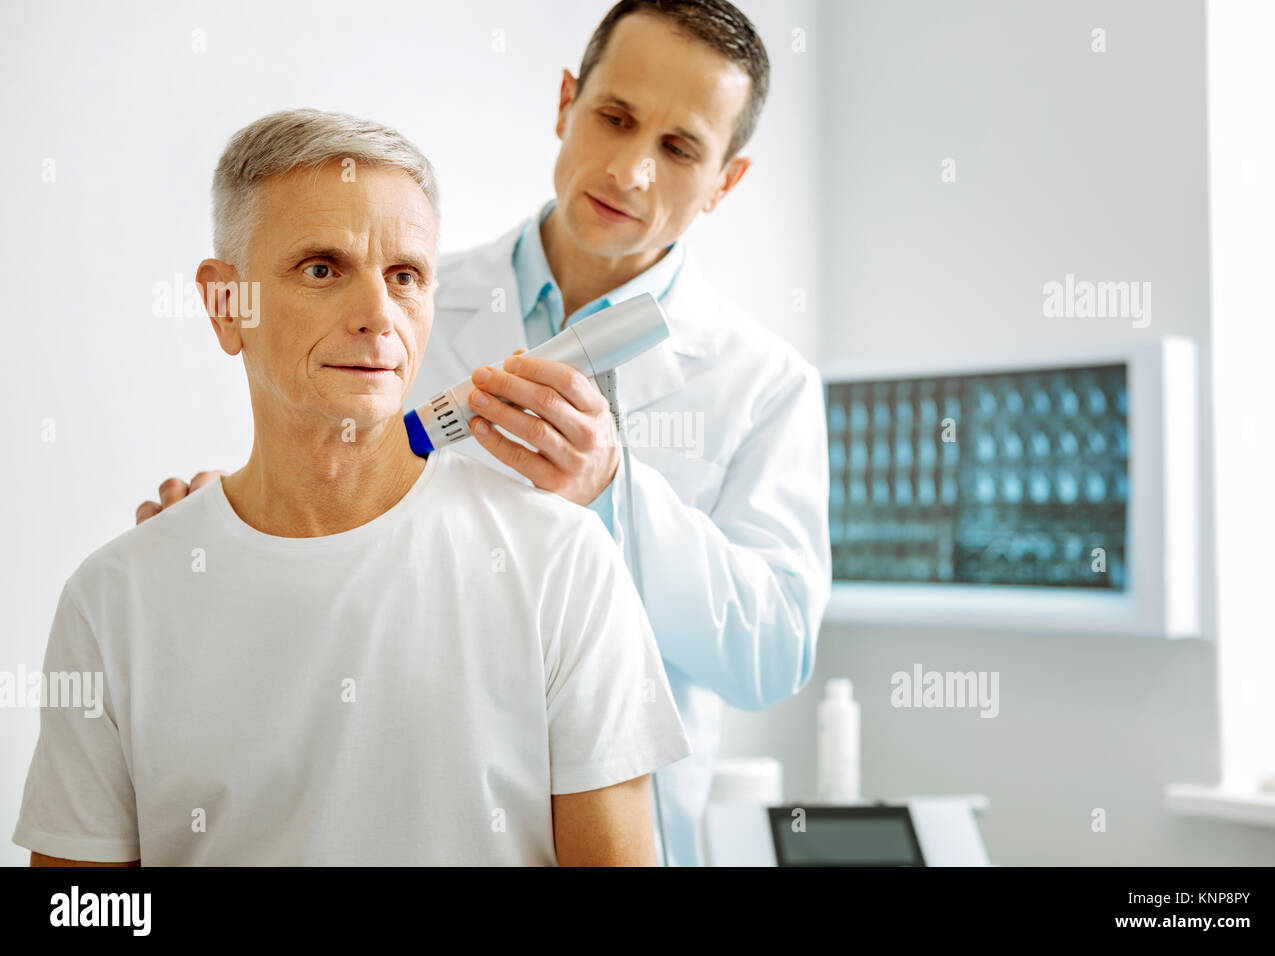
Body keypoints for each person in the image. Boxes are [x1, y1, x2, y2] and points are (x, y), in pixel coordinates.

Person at [139, 0, 831, 866]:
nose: (630, 170)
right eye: (614, 118)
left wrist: (616, 495)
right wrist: (232, 528)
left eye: (679, 147)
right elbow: (316, 507)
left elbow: (771, 656)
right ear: (565, 104)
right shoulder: (398, 306)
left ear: (726, 181)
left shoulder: (764, 384)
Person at [14, 109, 691, 866]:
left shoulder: (562, 567)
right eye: (322, 269)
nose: (377, 317)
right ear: (225, 303)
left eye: (405, 276)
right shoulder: (116, 599)